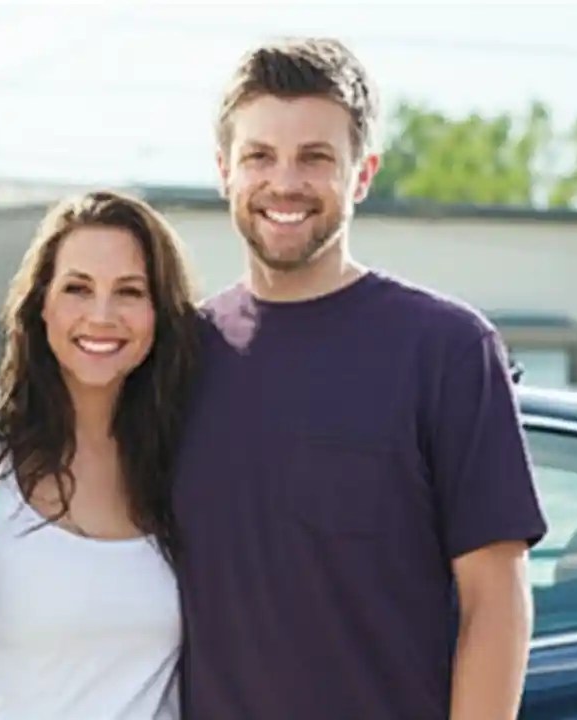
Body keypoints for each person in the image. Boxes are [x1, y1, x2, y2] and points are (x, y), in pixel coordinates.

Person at [172, 37, 548, 719]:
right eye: (260, 156)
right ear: (225, 170)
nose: (284, 182)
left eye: (316, 158)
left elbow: (496, 602)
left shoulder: (447, 350)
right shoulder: (177, 357)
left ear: (363, 173)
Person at [0, 190, 199, 719]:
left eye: (129, 291)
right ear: (41, 303)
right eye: (77, 288)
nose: (101, 315)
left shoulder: (187, 458)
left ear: (160, 312)